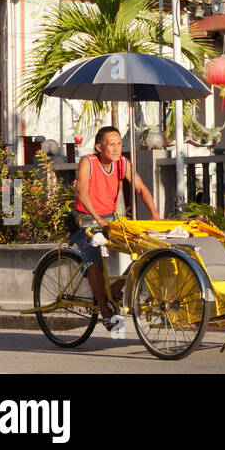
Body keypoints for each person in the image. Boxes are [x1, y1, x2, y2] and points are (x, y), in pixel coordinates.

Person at [71, 126, 159, 330]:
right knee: (93, 259)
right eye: (112, 144)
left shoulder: (122, 163)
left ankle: (115, 289)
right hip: (85, 221)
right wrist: (97, 218)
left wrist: (154, 214)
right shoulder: (88, 162)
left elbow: (140, 188)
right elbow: (82, 191)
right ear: (99, 147)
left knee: (145, 249)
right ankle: (104, 308)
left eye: (119, 144)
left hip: (111, 220)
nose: (117, 148)